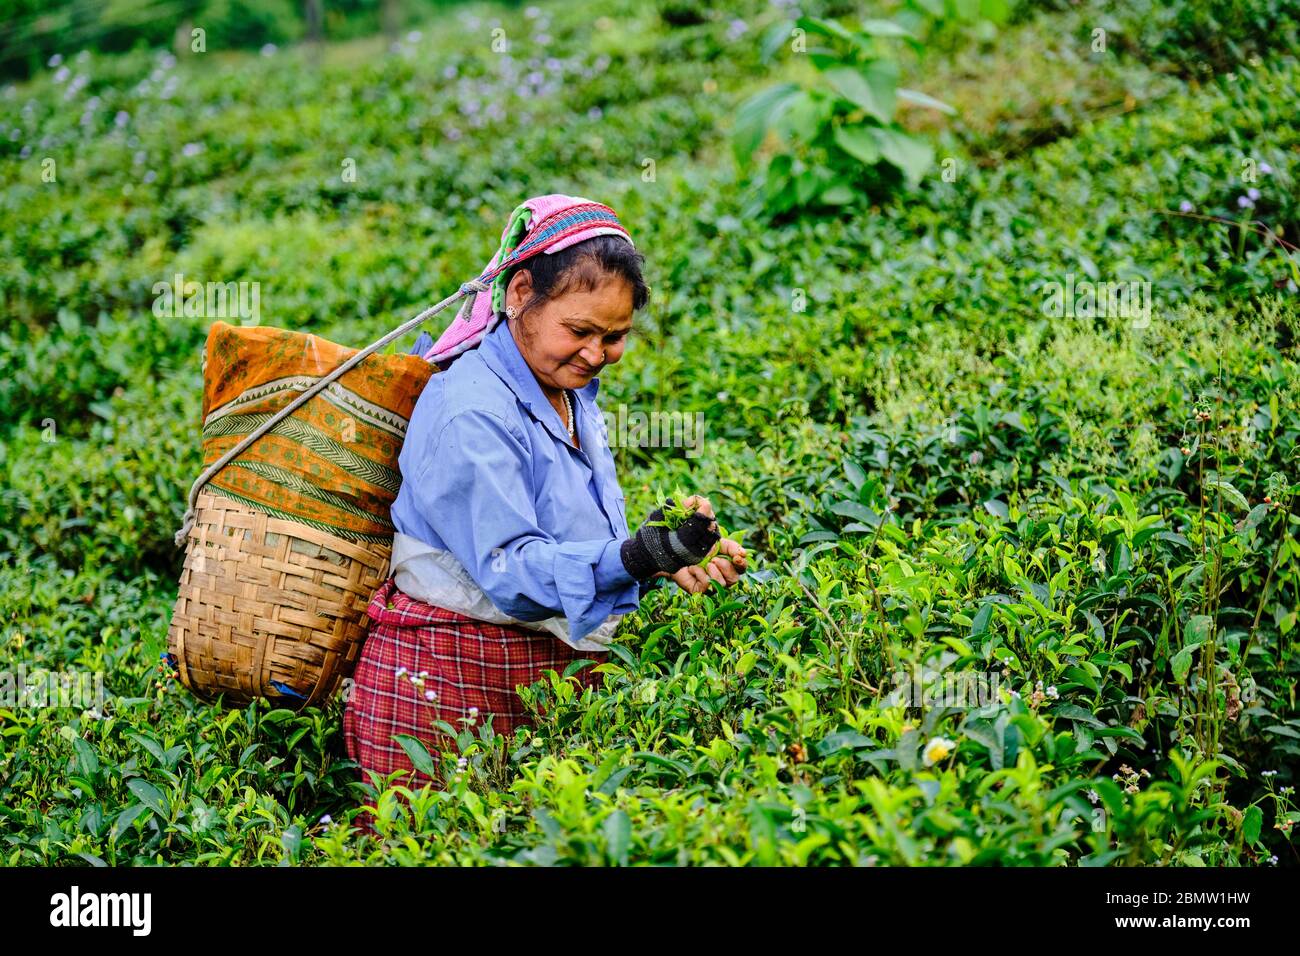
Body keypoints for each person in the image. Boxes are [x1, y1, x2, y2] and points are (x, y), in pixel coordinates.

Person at [342, 194, 747, 834]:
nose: (596, 354)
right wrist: (639, 555)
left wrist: (667, 558)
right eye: (580, 331)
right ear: (521, 293)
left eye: (615, 337)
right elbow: (511, 569)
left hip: (539, 673)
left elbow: (576, 537)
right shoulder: (471, 408)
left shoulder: (567, 388)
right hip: (447, 688)